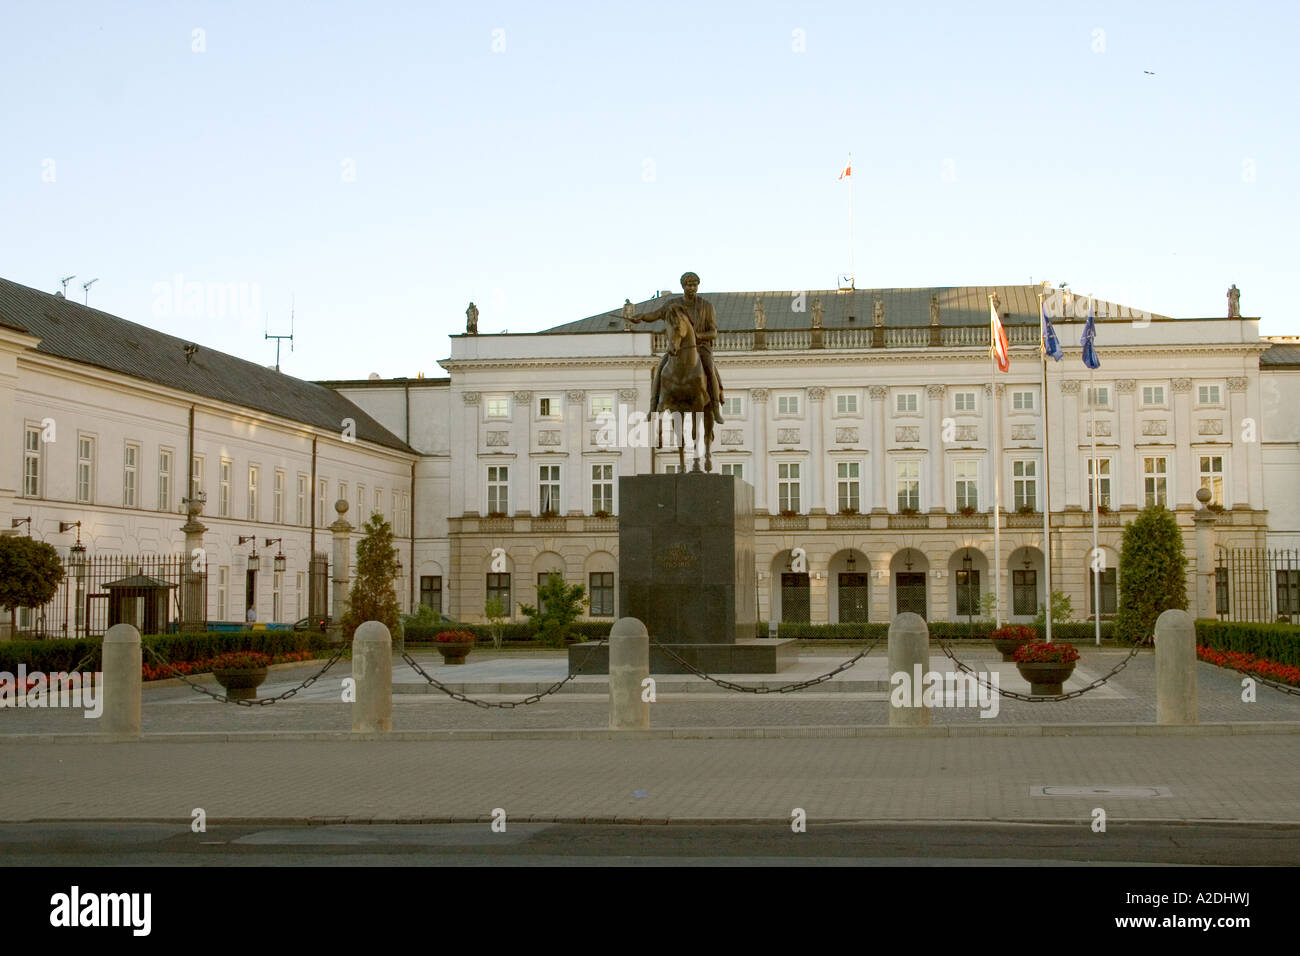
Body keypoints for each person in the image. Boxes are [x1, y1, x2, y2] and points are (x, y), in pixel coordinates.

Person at [627, 271, 725, 423]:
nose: (692, 288)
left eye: (694, 285)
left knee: (710, 369)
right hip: (677, 348)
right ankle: (653, 407)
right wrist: (642, 317)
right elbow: (656, 314)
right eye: (689, 285)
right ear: (683, 286)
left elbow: (713, 332)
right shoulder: (673, 306)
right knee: (660, 369)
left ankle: (715, 407)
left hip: (701, 348)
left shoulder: (707, 306)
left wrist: (697, 336)